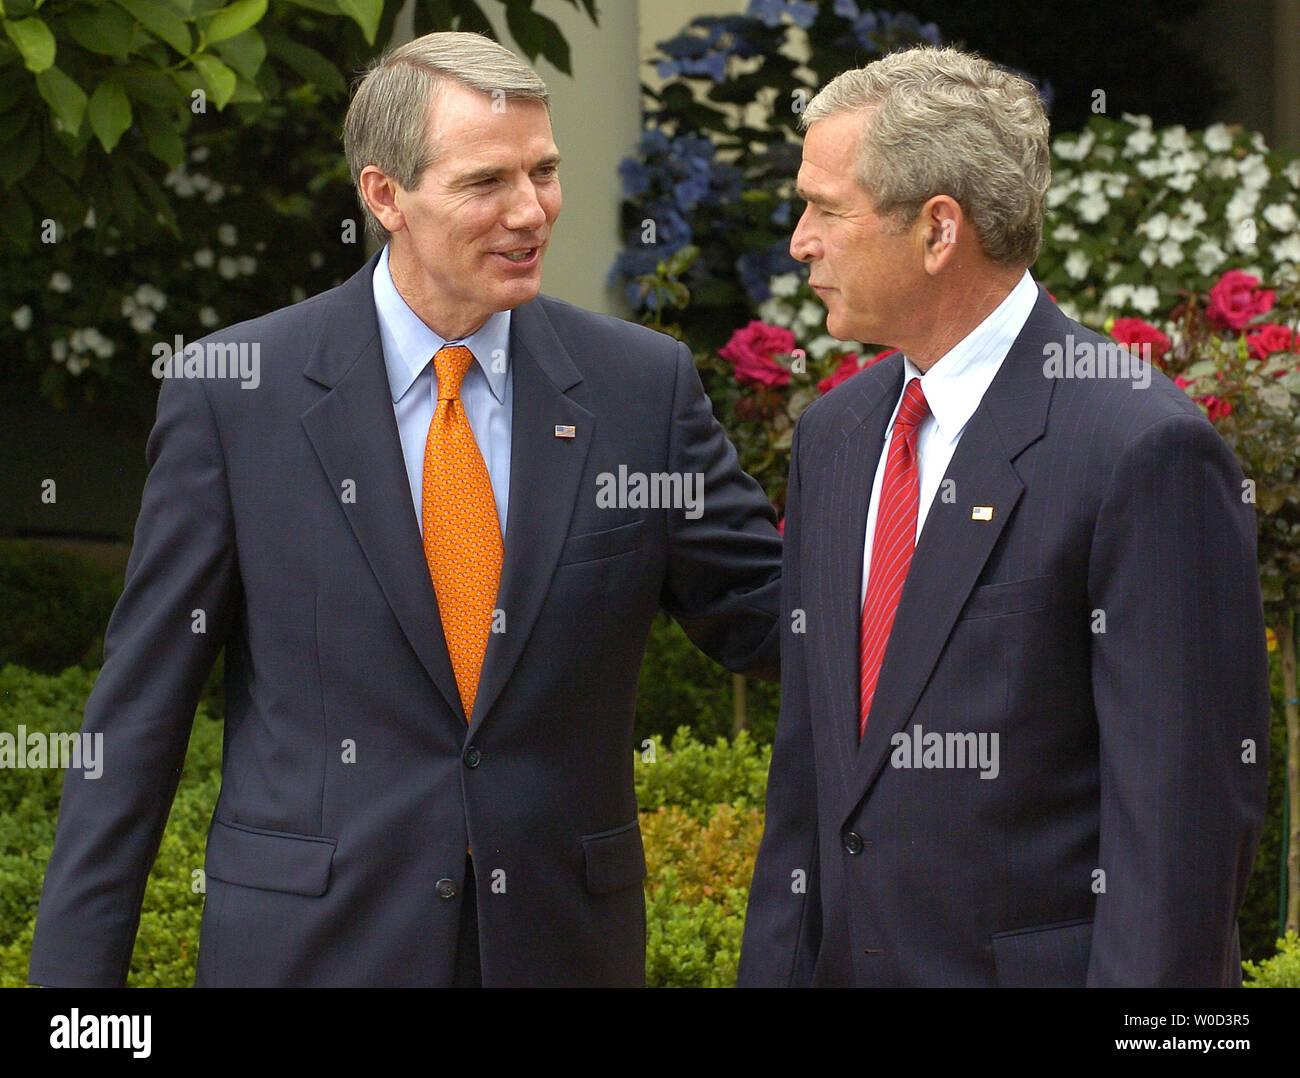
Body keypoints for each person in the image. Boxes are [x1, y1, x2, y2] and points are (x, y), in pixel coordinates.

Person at [29, 31, 781, 988]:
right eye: (485, 182)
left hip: (559, 948)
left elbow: (770, 618)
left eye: (544, 171)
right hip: (310, 951)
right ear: (384, 195)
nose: (531, 211)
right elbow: (139, 715)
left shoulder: (642, 387)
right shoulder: (236, 394)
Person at [739, 45, 1269, 987]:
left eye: (825, 207)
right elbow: (809, 789)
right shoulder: (835, 437)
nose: (800, 240)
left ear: (939, 230)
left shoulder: (1142, 448)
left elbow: (1179, 833)